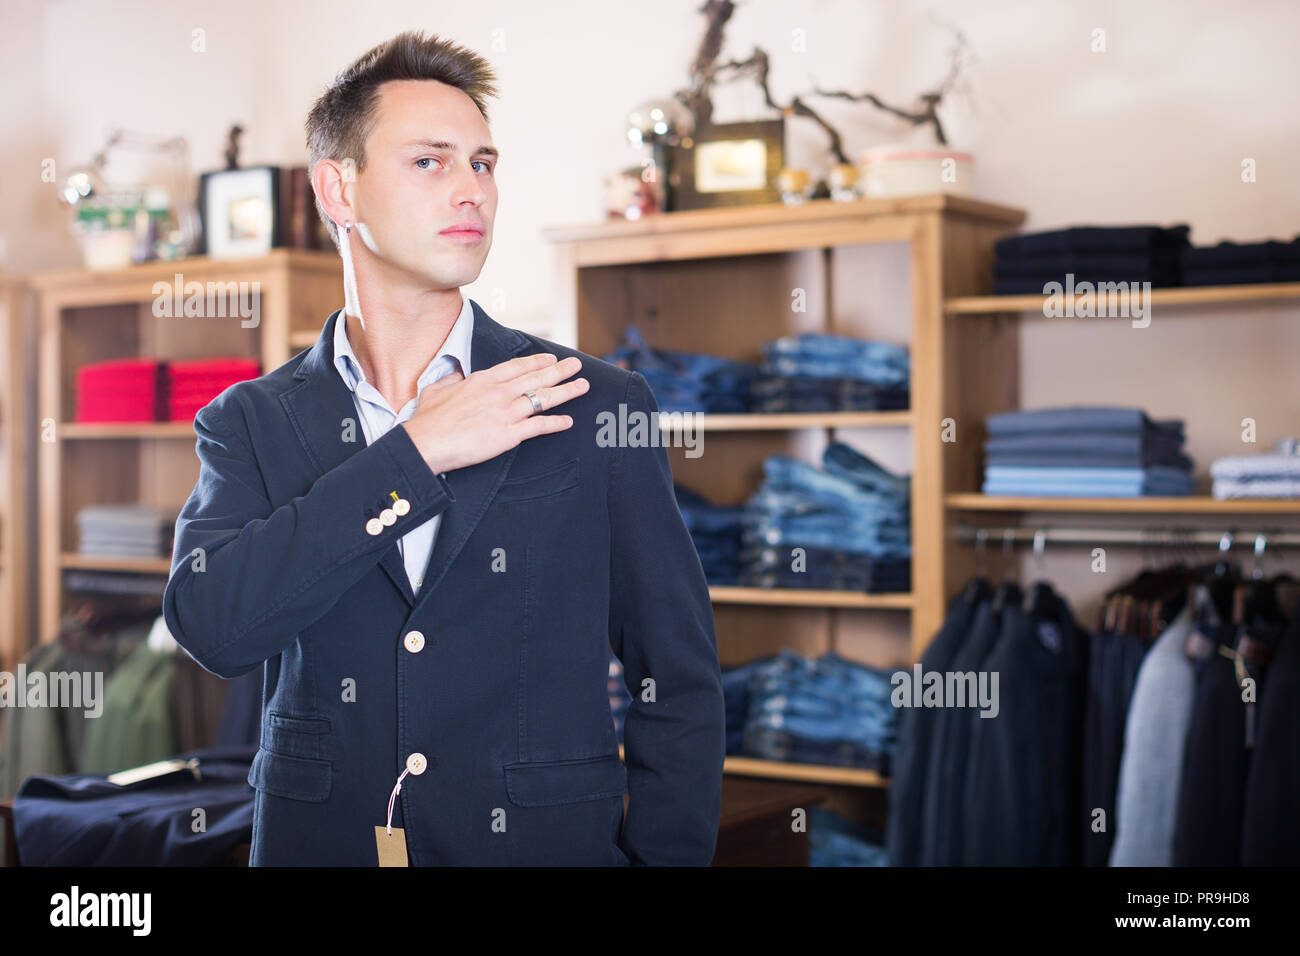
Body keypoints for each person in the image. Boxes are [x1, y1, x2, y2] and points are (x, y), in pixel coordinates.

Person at [162, 29, 724, 866]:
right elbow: (214, 628)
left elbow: (676, 678)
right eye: (431, 162)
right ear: (338, 189)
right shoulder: (247, 420)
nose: (472, 191)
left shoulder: (599, 403)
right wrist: (413, 455)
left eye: (483, 163)